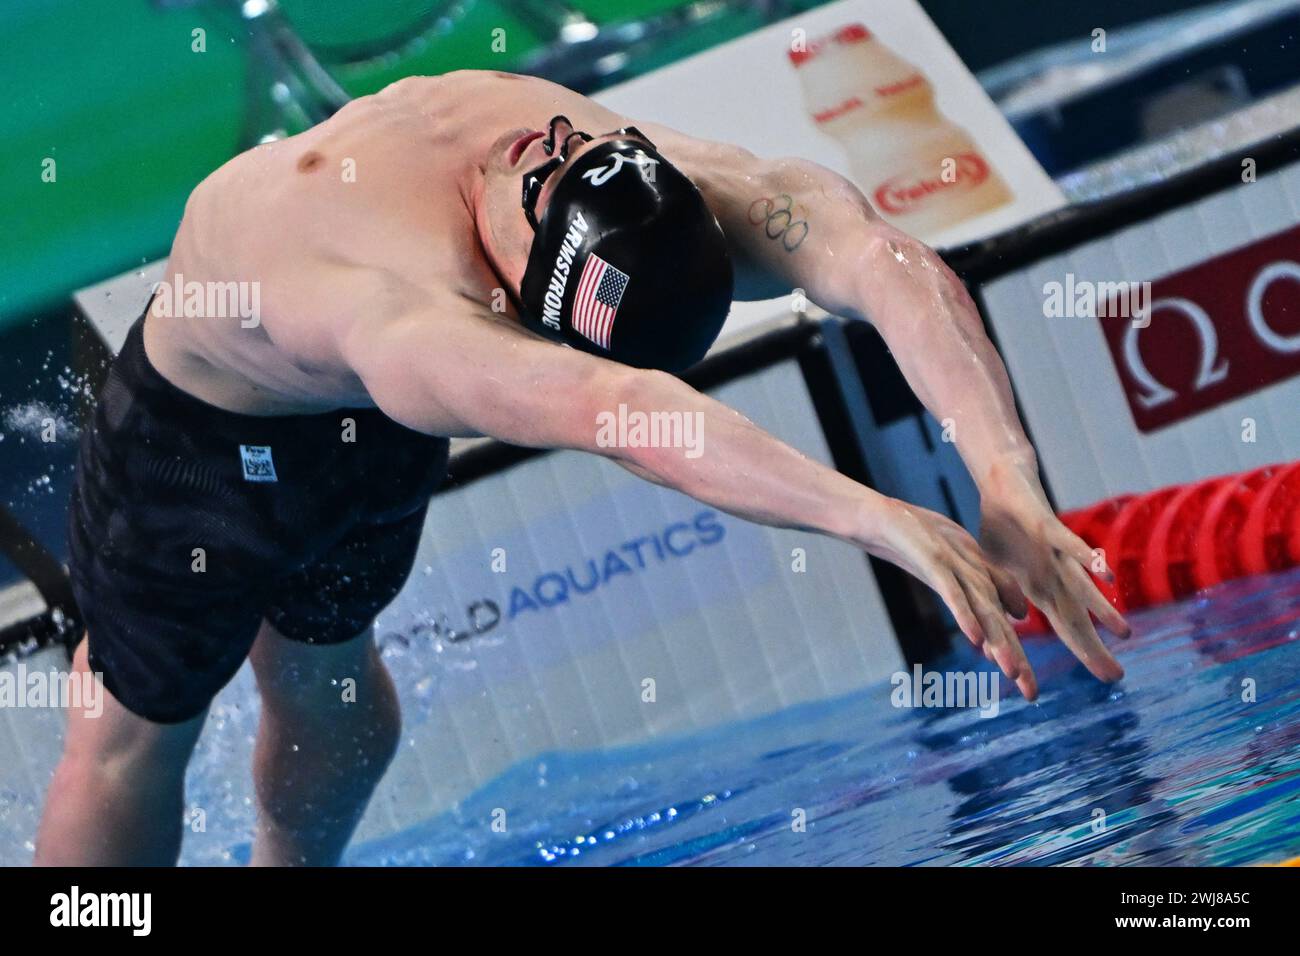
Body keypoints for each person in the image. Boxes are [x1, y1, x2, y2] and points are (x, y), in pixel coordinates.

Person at [35, 70, 1129, 866]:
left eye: (544, 186)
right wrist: (945, 495)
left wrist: (937, 496)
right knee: (133, 738)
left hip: (364, 428)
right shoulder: (480, 267)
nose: (539, 142)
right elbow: (834, 280)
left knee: (339, 711)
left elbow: (673, 381)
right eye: (567, 151)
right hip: (191, 448)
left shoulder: (450, 326)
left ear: (522, 303)